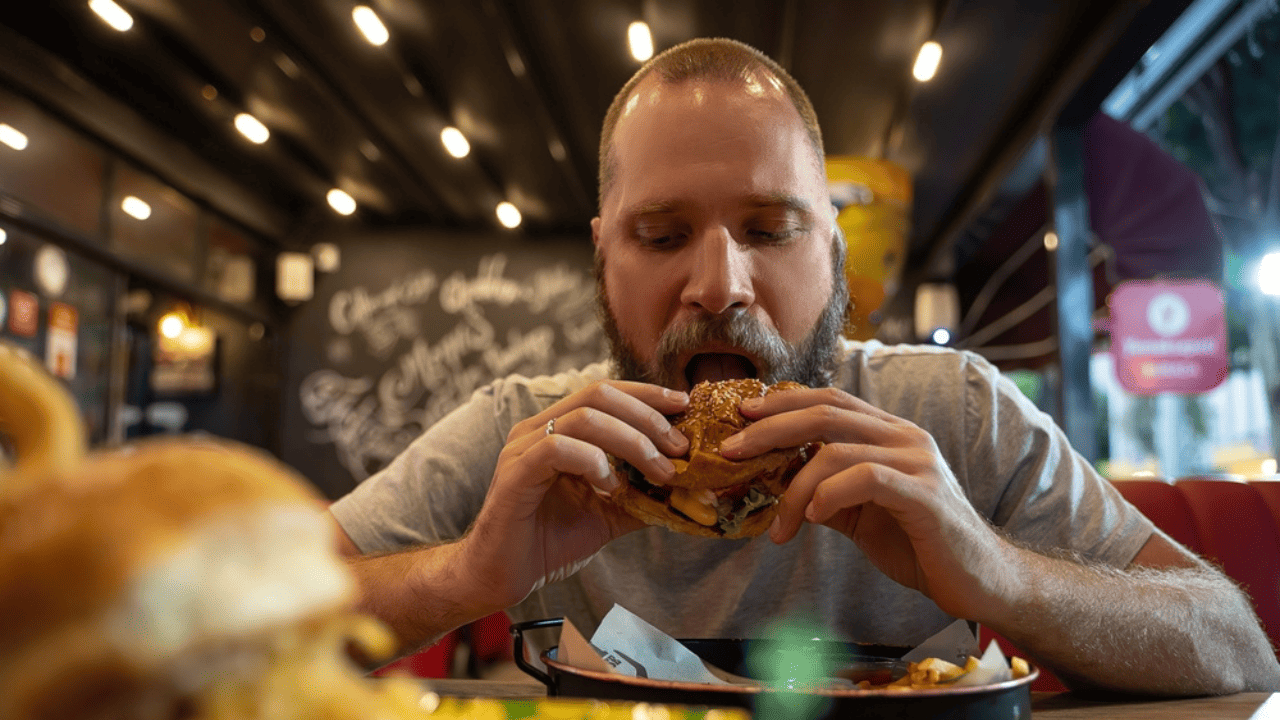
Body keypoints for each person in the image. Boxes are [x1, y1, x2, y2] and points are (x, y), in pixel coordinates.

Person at [331, 37, 1279, 695]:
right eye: (662, 236)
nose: (719, 285)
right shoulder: (537, 438)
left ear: (832, 252)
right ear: (601, 262)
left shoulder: (945, 412)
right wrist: (462, 577)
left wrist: (995, 574)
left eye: (770, 230)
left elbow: (1236, 647)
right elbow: (218, 622)